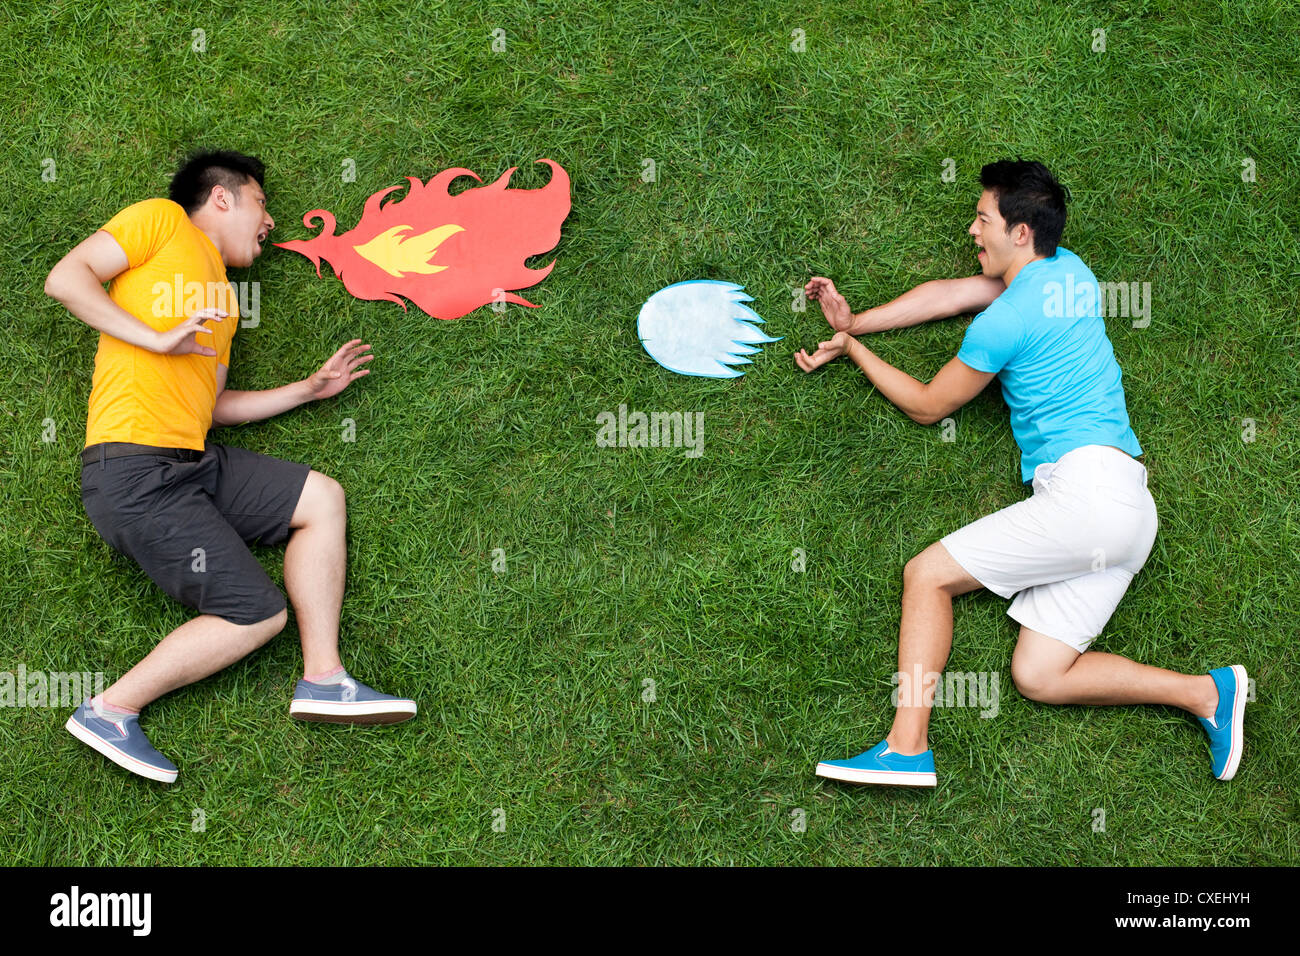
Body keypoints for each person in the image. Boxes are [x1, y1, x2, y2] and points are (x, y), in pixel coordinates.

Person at [795, 159, 1245, 787]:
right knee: (1039, 675)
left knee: (926, 576)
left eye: (982, 219)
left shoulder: (1004, 322)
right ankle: (1207, 693)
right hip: (1129, 511)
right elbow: (953, 293)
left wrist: (855, 350)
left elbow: (929, 406)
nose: (972, 231)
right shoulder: (1070, 273)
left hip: (1084, 499)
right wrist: (855, 319)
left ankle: (905, 747)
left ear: (1021, 232)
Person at [45, 150, 415, 785]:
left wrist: (306, 389)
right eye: (262, 204)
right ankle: (110, 710)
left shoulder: (227, 300)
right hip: (133, 468)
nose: (270, 222)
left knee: (321, 497)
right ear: (223, 197)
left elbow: (213, 406)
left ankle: (324, 679)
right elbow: (67, 278)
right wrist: (155, 336)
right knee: (257, 613)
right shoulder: (162, 222)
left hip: (194, 460)